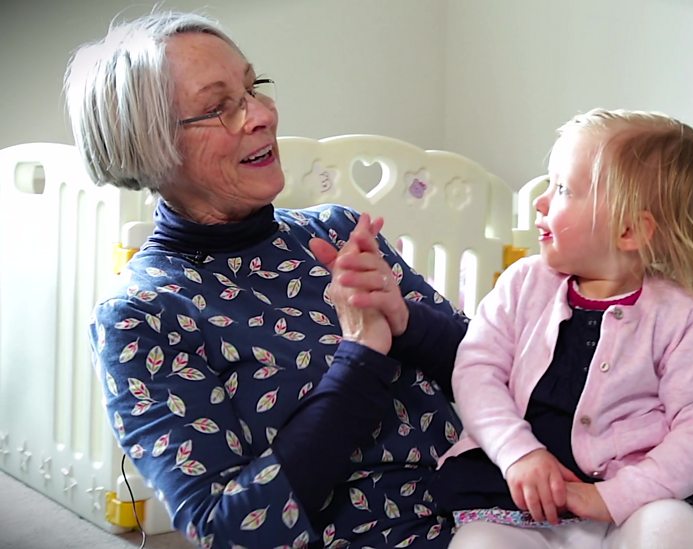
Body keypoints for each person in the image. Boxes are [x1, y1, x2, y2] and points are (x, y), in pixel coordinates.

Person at [68, 11, 467, 548]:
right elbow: (230, 530)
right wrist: (361, 358)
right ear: (149, 145)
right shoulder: (144, 315)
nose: (261, 115)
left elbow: (501, 367)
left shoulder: (337, 231)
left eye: (253, 89)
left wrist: (406, 318)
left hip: (498, 507)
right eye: (218, 107)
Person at [433, 108, 693, 549]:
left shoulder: (683, 314)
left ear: (629, 230)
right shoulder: (522, 284)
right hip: (519, 498)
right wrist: (518, 452)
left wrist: (619, 496)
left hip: (632, 503)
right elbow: (476, 373)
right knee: (478, 544)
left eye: (562, 189)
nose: (540, 201)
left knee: (672, 528)